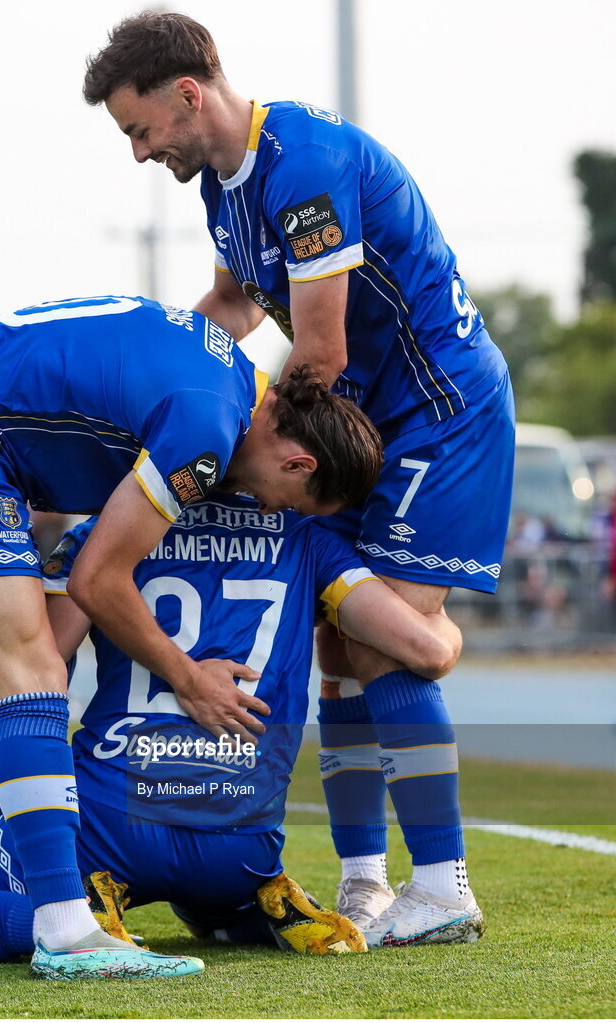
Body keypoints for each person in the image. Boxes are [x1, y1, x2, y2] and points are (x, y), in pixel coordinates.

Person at [84, 13, 516, 943]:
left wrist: (223, 442)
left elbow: (318, 352)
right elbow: (234, 304)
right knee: (335, 645)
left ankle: (443, 885)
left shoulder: (305, 165)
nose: (139, 152)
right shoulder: (224, 186)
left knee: (390, 639)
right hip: (361, 421)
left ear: (187, 95)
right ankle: (365, 880)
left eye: (139, 128)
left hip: (438, 415)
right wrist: (164, 383)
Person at [0, 293, 382, 979]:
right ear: (298, 465)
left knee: (34, 663)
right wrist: (191, 677)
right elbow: (97, 583)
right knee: (34, 673)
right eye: (300, 503)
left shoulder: (228, 381)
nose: (275, 510)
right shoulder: (208, 427)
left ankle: (64, 916)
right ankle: (65, 927)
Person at [0, 492, 465, 964]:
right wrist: (444, 626)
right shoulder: (309, 540)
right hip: (240, 840)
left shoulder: (103, 539)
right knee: (206, 904)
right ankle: (260, 906)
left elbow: (30, 669)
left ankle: (68, 914)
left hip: (109, 824)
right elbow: (420, 650)